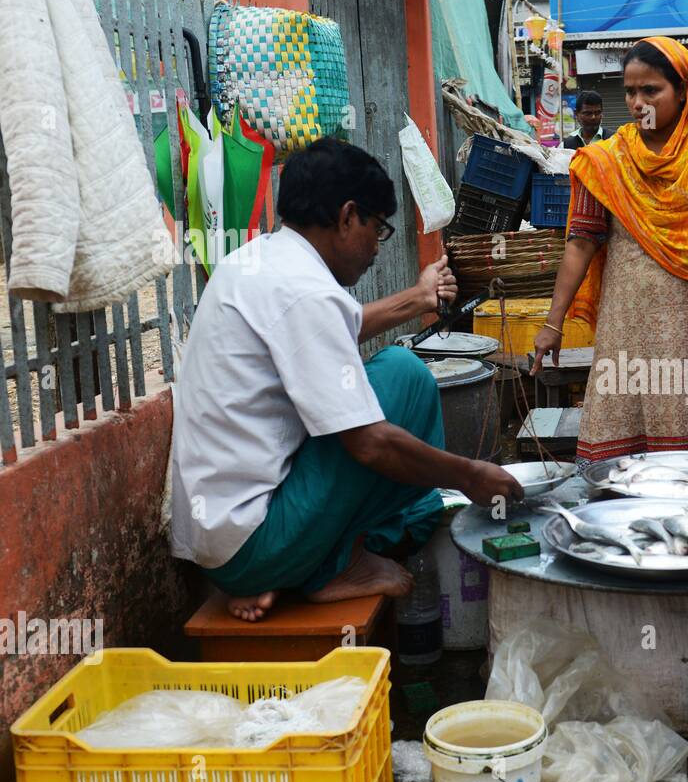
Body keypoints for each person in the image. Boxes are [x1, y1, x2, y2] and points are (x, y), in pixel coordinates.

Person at [171, 139, 523, 621]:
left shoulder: (262, 262)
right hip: (256, 546)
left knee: (396, 390)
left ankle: (319, 558)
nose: (377, 247)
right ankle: (331, 566)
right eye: (377, 229)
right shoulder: (304, 291)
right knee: (404, 377)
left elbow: (339, 327)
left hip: (226, 545)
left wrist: (418, 299)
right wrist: (469, 474)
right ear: (347, 216)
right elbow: (369, 444)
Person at [531, 37, 688, 464]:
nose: (638, 103)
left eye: (651, 90)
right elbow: (580, 243)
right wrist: (553, 323)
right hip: (628, 328)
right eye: (629, 91)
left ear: (683, 91)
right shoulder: (603, 162)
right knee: (620, 457)